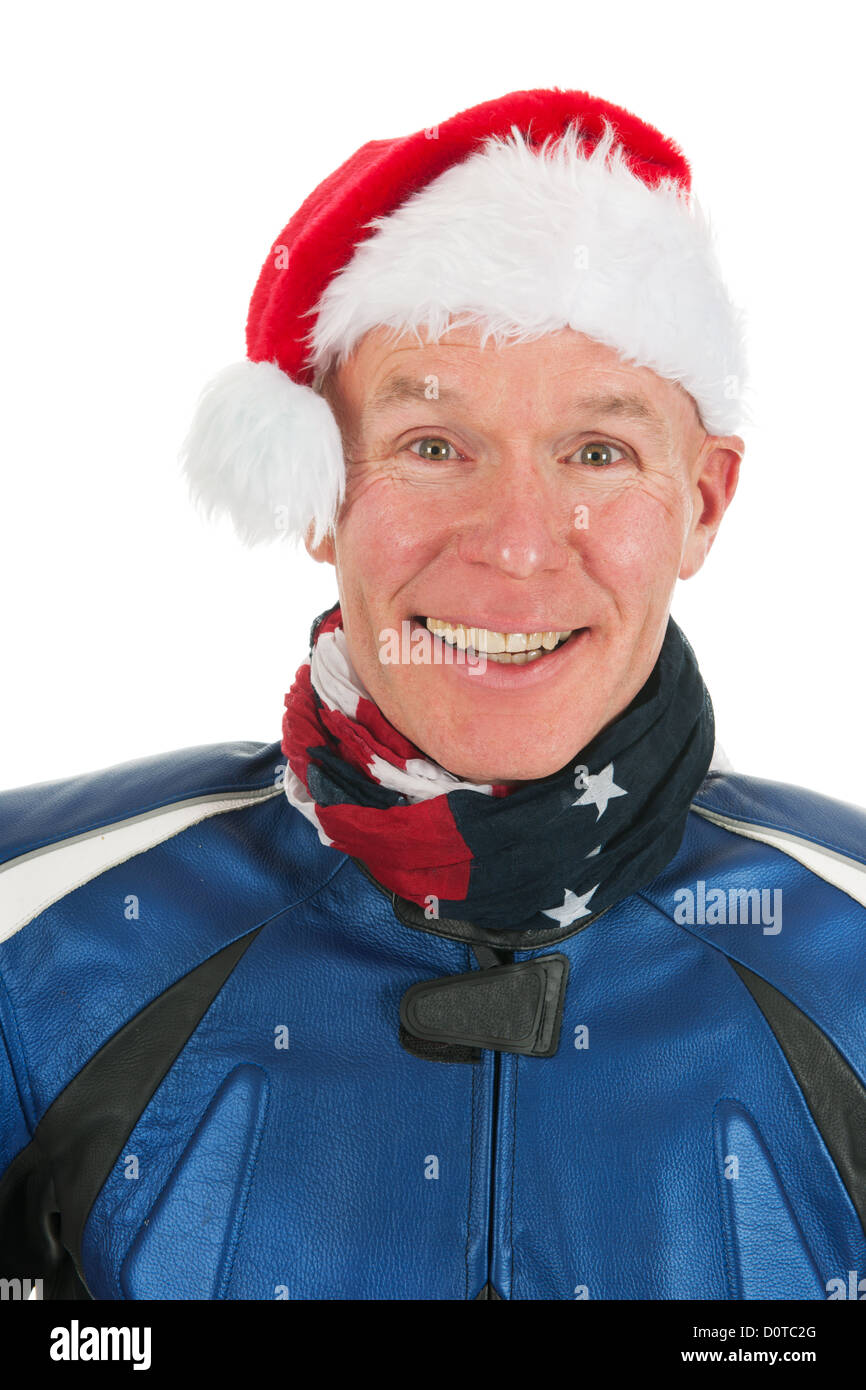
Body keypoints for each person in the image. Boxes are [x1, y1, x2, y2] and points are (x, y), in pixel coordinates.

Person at [1, 87, 864, 1303]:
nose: (514, 546)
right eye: (430, 444)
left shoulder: (848, 939)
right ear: (317, 489)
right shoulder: (35, 930)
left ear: (702, 503)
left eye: (597, 451)